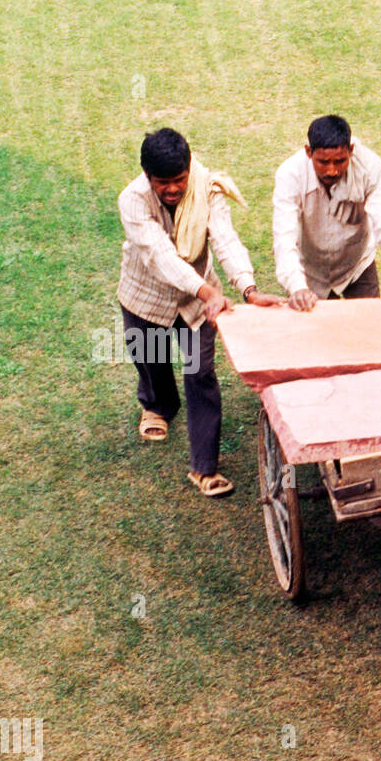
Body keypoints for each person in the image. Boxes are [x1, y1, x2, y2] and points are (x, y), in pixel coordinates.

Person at [117, 127, 281, 498]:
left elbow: (224, 238)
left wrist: (249, 289)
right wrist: (208, 291)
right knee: (151, 360)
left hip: (196, 303)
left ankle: (203, 468)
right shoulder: (132, 199)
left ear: (190, 168)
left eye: (179, 180)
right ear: (147, 177)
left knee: (200, 373)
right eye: (163, 183)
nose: (173, 189)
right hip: (146, 294)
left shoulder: (207, 188)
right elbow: (160, 256)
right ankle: (157, 407)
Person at [272, 113, 381, 310]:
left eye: (340, 161)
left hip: (357, 265)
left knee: (368, 329)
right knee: (314, 335)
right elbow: (284, 237)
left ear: (351, 150)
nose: (332, 171)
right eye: (323, 162)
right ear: (308, 152)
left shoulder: (369, 168)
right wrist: (297, 287)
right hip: (310, 270)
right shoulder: (289, 175)